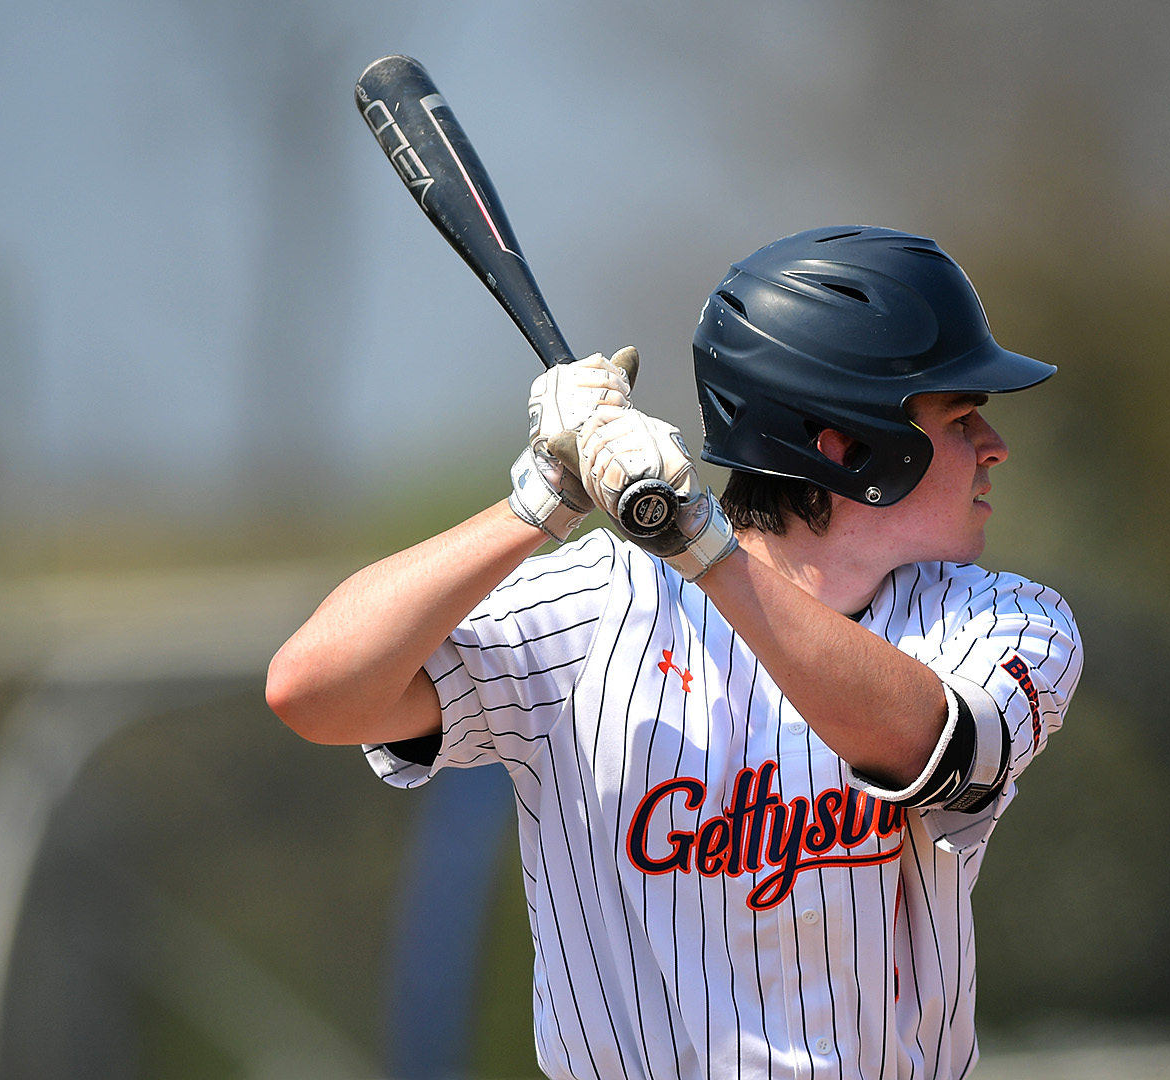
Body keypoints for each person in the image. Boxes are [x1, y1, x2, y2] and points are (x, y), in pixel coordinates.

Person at [268, 226, 1082, 1080]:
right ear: (848, 446)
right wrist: (542, 498)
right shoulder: (592, 608)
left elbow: (929, 746)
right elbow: (312, 690)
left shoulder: (1001, 619)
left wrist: (698, 540)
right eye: (960, 417)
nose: (994, 444)